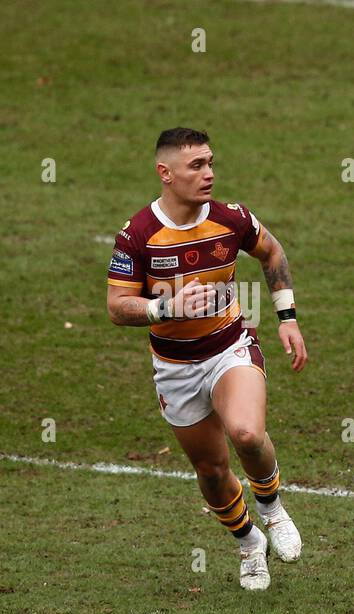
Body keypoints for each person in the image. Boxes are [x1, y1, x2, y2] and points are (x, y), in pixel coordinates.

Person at [106, 128, 307, 590]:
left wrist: (287, 318)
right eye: (196, 166)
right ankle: (249, 544)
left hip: (229, 347)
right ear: (166, 173)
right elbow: (118, 308)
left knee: (247, 433)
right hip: (174, 367)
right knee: (212, 471)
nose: (209, 173)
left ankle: (272, 509)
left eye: (210, 162)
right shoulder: (137, 235)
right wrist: (167, 307)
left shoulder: (231, 218)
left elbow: (272, 251)